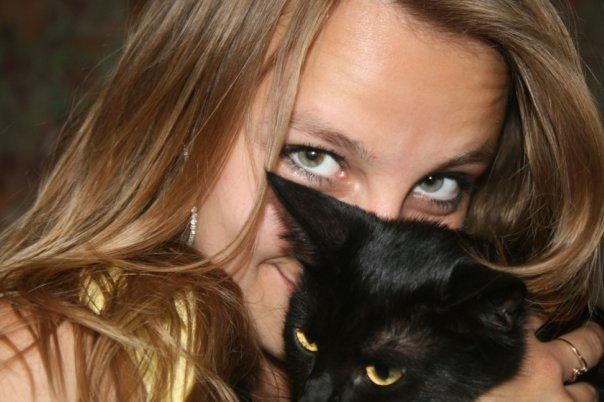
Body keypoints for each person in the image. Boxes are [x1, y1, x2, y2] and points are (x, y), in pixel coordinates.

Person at [0, 0, 602, 401]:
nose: (383, 235)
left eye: (440, 183)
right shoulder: (38, 365)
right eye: (314, 157)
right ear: (183, 132)